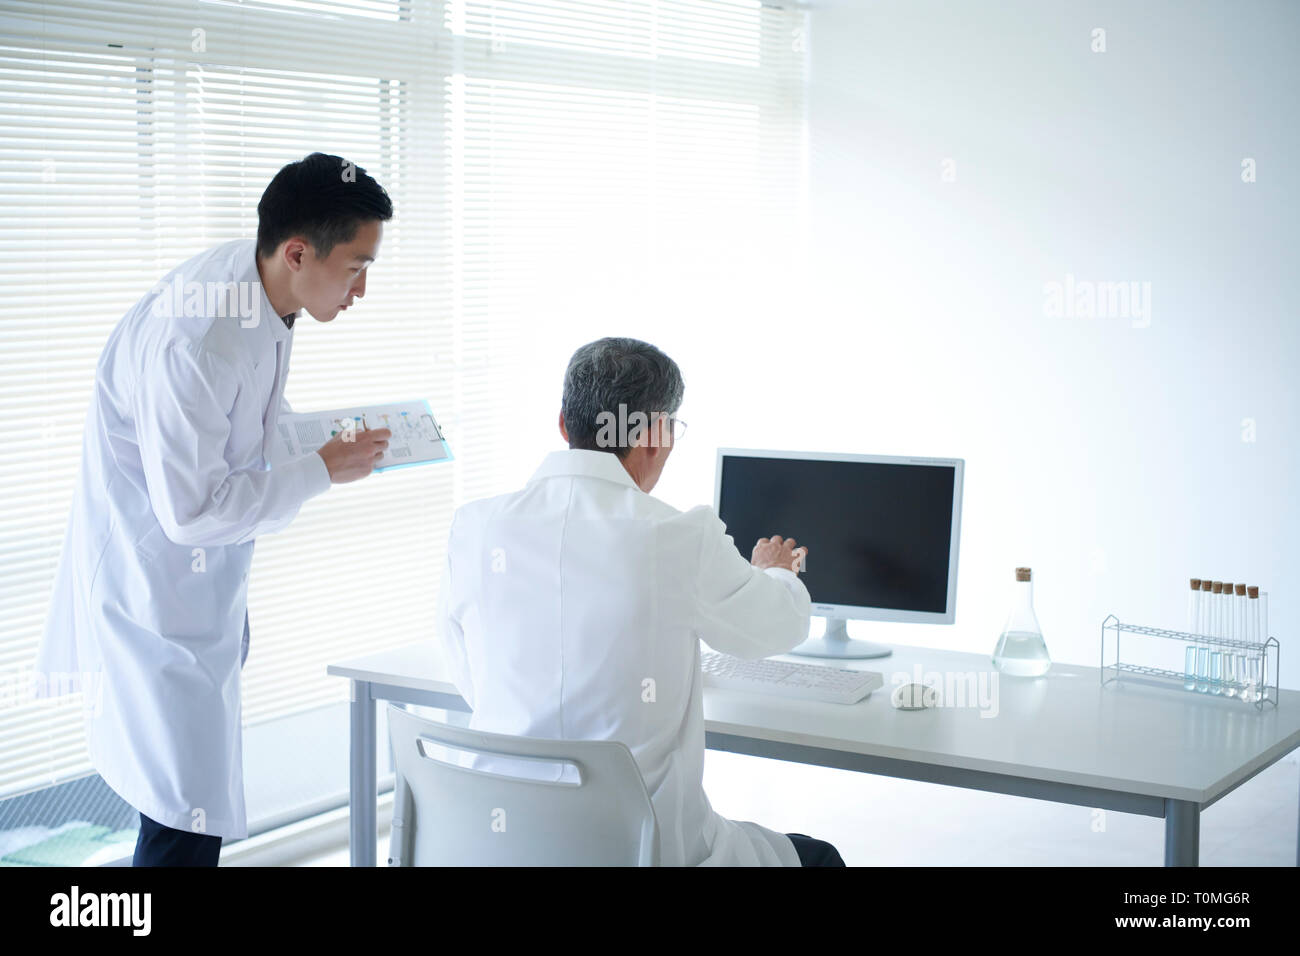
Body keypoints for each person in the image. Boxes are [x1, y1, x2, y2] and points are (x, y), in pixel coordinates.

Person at [34, 152, 395, 866]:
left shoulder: (264, 290)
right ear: (298, 252)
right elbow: (193, 513)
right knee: (182, 821)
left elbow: (246, 422)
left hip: (195, 593)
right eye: (356, 267)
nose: (363, 291)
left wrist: (322, 443)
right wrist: (320, 470)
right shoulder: (194, 341)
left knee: (184, 813)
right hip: (154, 601)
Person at [435, 336, 846, 866]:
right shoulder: (676, 535)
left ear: (564, 424)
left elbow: (470, 675)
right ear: (657, 436)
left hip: (499, 843)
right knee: (820, 858)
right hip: (640, 850)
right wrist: (774, 574)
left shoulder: (475, 526)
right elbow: (776, 628)